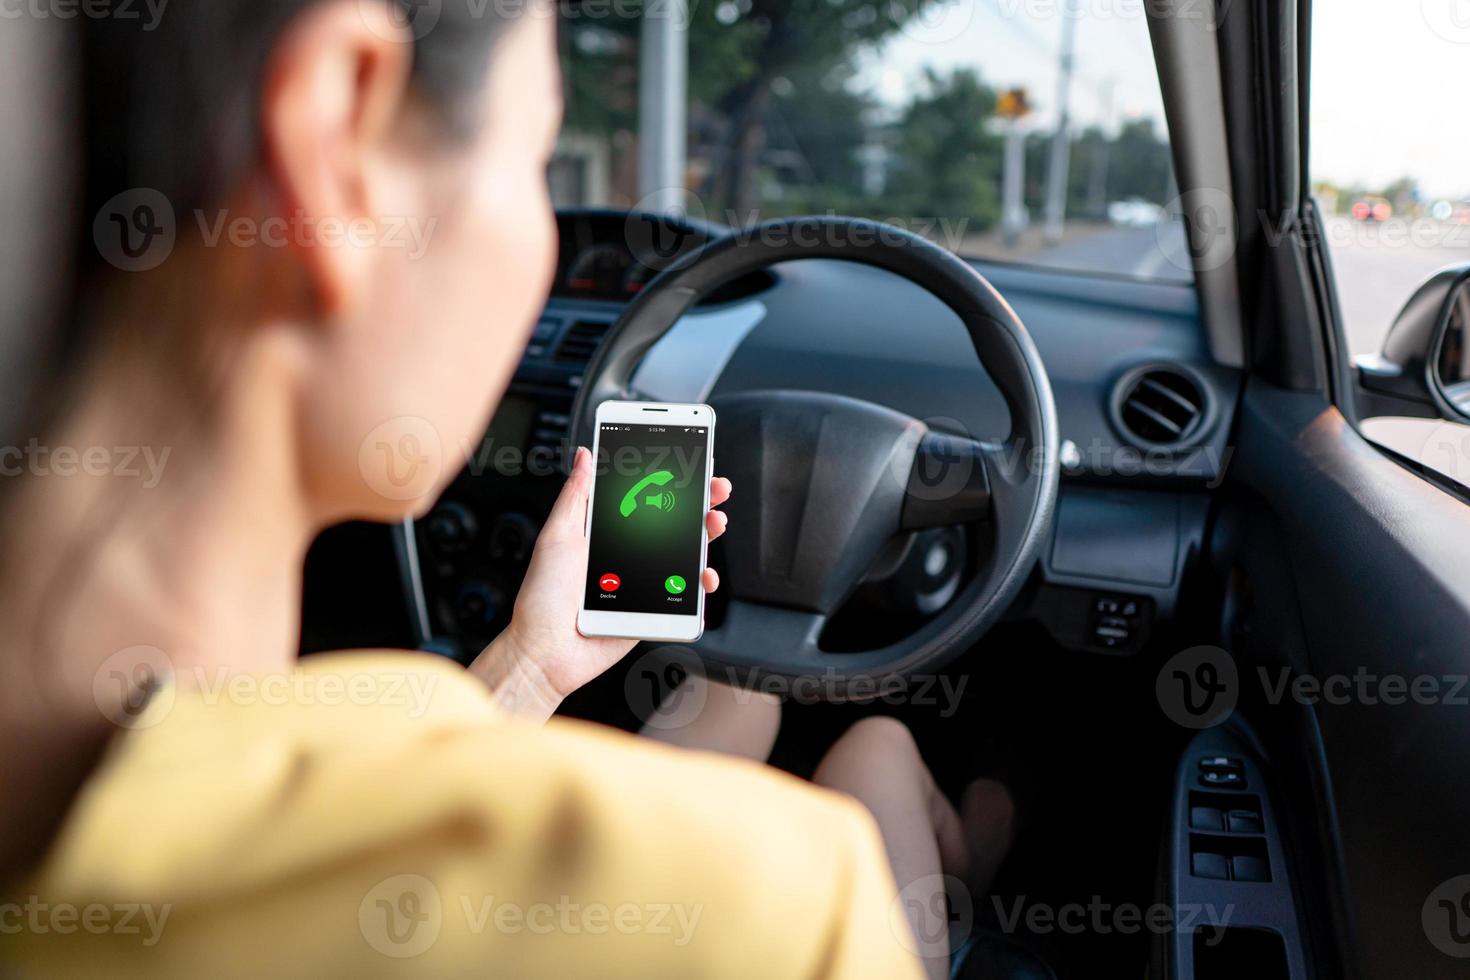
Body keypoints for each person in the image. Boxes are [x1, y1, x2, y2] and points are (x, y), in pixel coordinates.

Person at [0, 2, 1016, 977]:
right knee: (878, 746)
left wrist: (530, 669)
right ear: (335, 144)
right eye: (533, 160)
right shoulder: (774, 910)